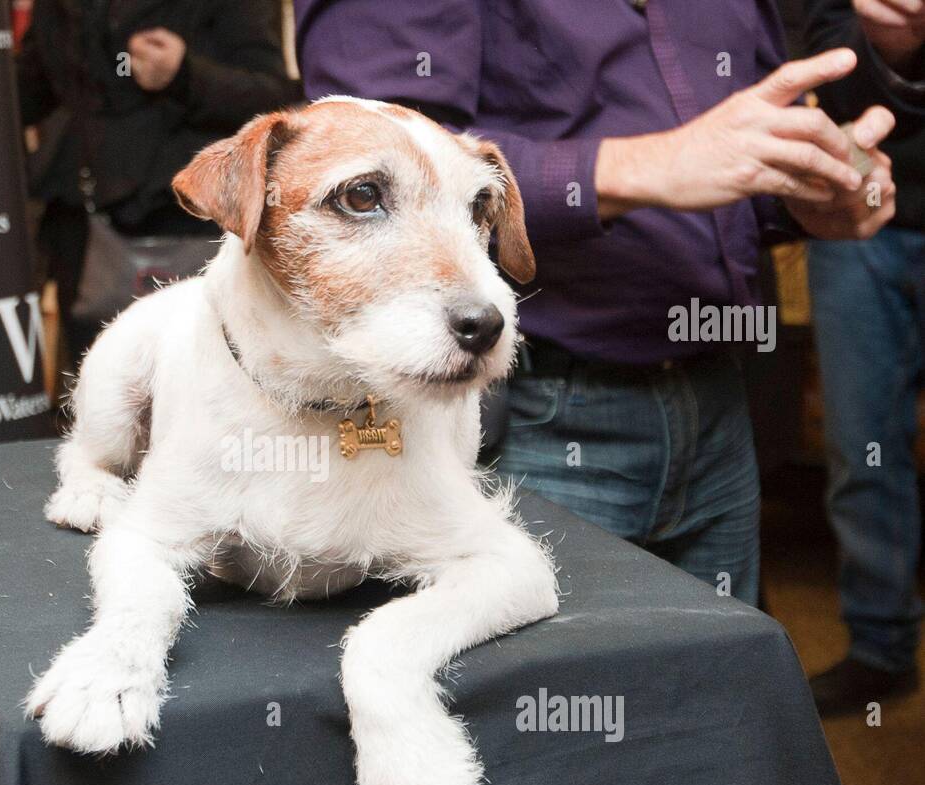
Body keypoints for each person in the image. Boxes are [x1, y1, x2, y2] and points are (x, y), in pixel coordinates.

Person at [294, 0, 897, 607]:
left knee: (723, 663)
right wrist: (656, 163)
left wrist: (806, 192)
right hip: (520, 412)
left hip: (718, 402)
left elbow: (733, 156)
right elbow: (366, 160)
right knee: (509, 661)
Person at [17, 0, 299, 358]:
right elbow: (31, 87)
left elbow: (270, 97)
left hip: (182, 222)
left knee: (195, 368)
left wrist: (183, 74)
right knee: (94, 369)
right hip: (82, 220)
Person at [803, 0, 925, 712]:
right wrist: (892, 48)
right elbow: (816, 50)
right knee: (862, 447)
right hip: (858, 211)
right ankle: (880, 645)